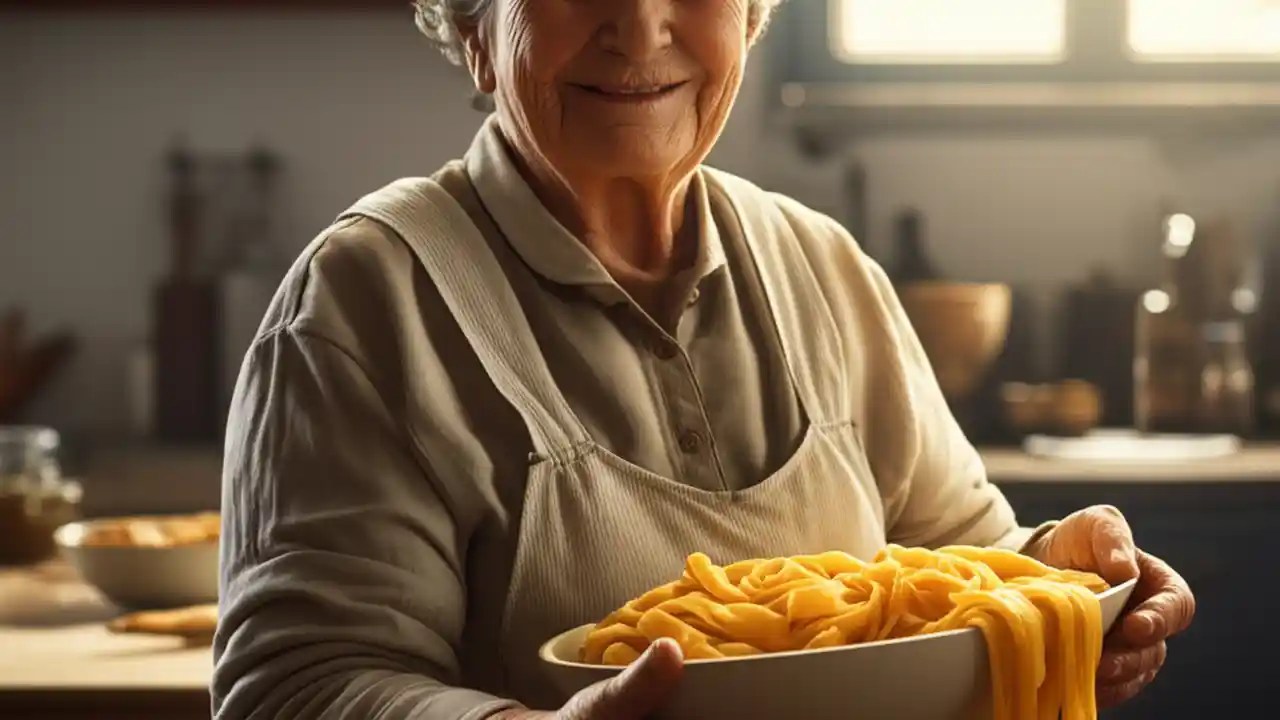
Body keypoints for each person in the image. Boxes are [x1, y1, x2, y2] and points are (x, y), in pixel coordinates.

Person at [212, 1, 1195, 718]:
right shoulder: (367, 299)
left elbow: (955, 561)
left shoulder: (821, 265)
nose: (639, 28)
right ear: (473, 29)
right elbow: (294, 689)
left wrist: (1058, 583)